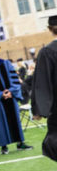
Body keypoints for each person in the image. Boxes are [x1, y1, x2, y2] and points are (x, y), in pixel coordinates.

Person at [32, 16, 57, 159]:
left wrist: (38, 109)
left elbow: (42, 83)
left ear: (49, 30)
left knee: (53, 142)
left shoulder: (47, 52)